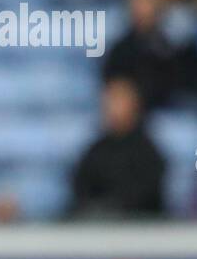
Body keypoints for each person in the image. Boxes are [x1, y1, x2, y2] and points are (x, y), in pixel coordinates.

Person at [69, 78, 166, 218]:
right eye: (109, 101)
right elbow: (81, 190)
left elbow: (148, 196)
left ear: (134, 105)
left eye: (118, 100)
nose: (112, 107)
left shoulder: (149, 152)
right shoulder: (96, 150)